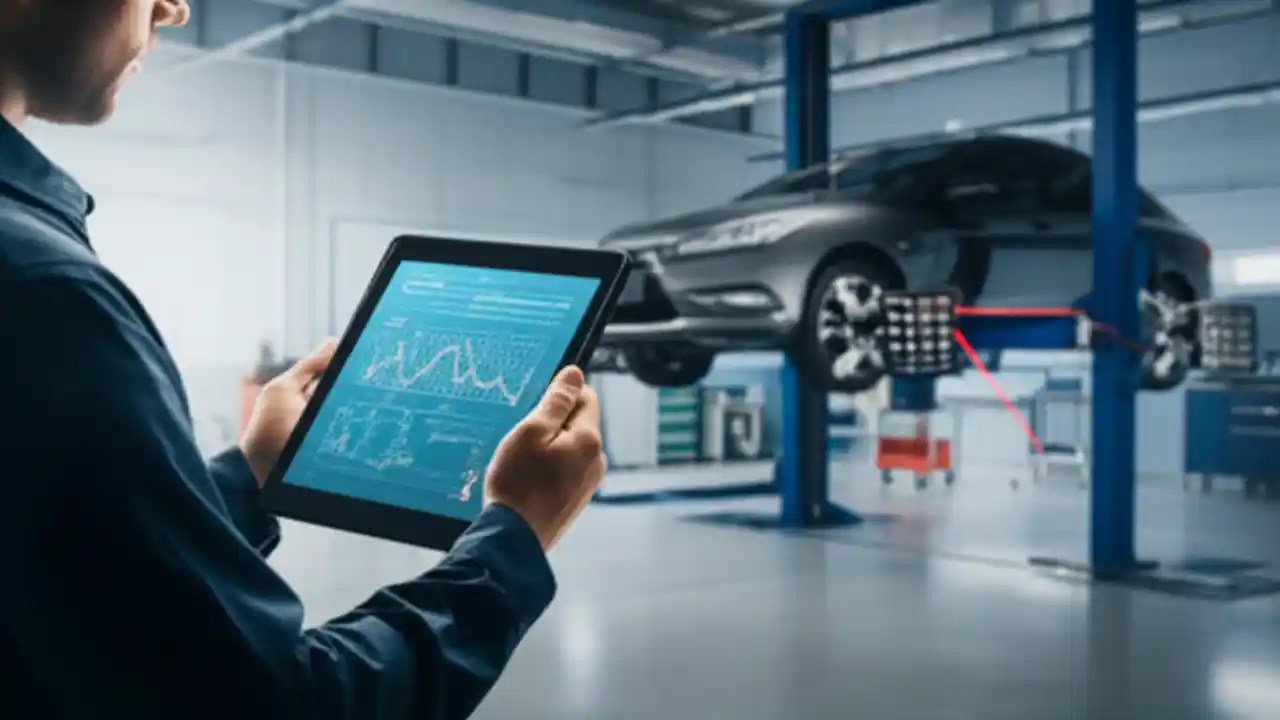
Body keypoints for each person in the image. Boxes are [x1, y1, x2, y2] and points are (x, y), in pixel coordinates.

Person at [0, 1, 606, 717]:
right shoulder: (49, 297)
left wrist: (253, 476)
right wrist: (515, 539)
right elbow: (272, 704)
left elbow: (80, 575)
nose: (173, 7)